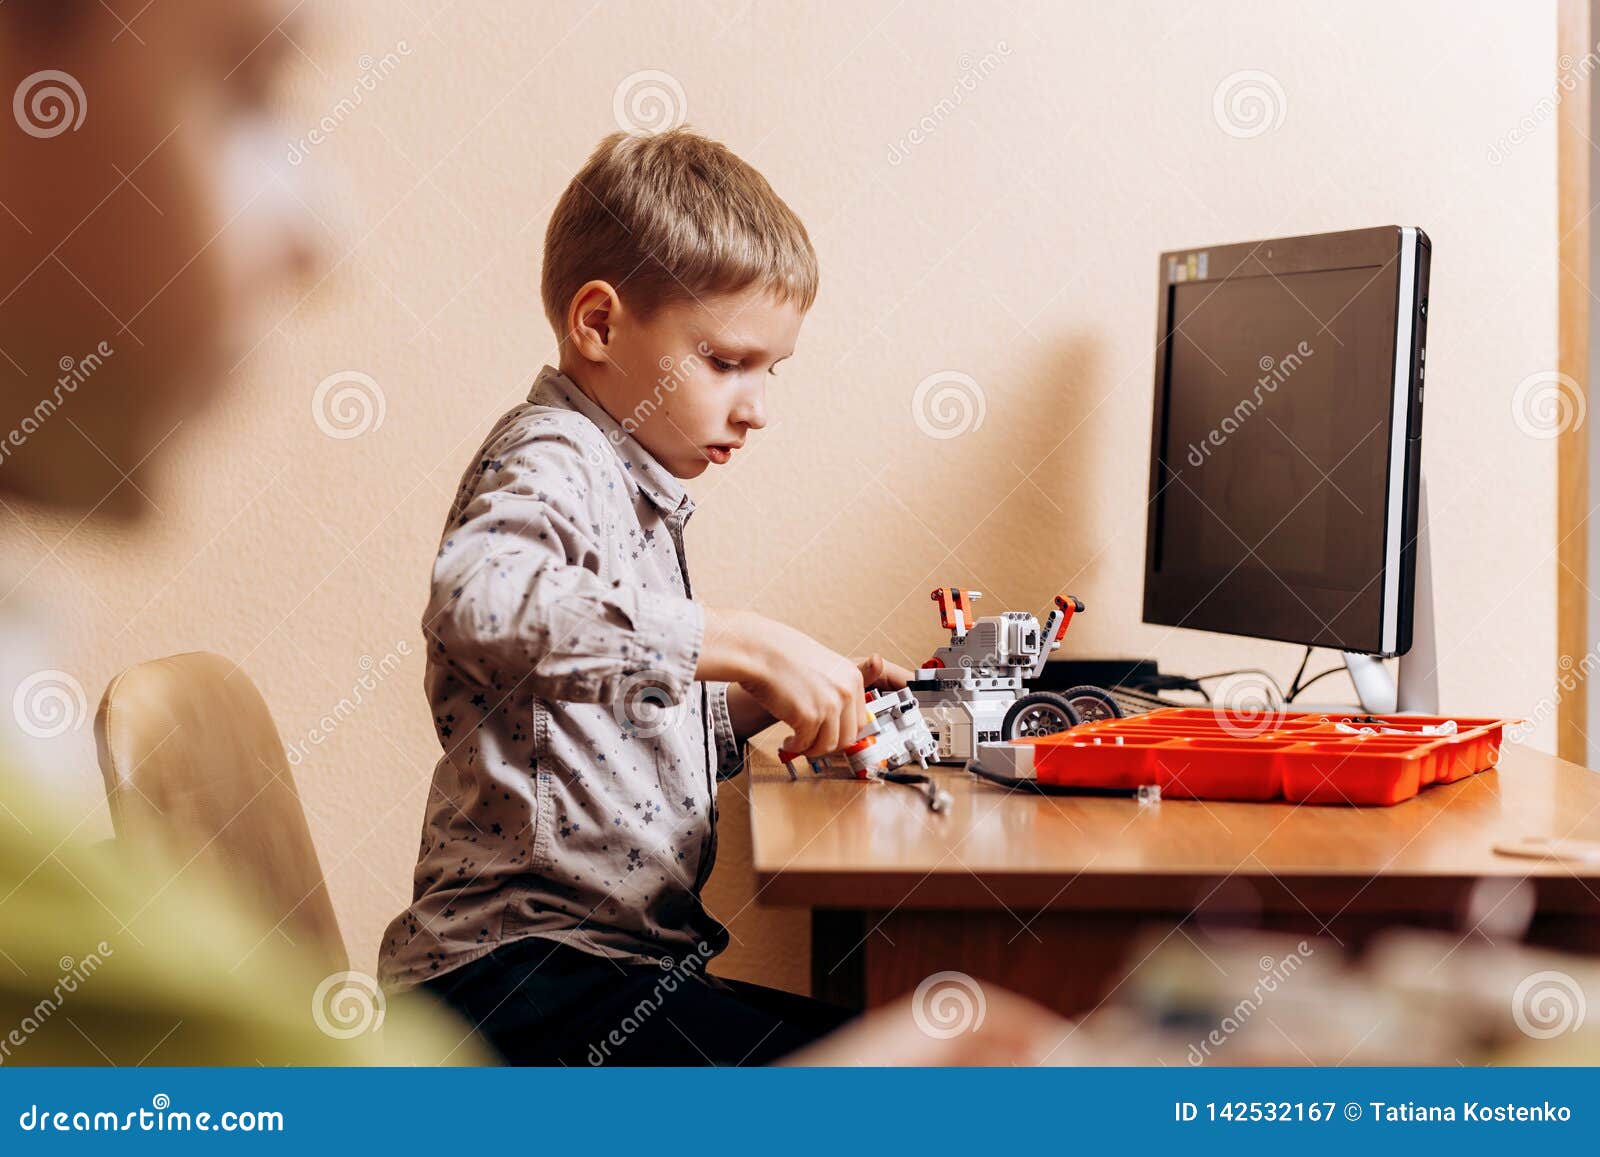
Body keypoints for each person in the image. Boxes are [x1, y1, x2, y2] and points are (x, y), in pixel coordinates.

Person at [378, 129, 921, 1064]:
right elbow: (479, 602)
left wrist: (759, 698)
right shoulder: (555, 453)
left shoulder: (631, 482)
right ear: (598, 324)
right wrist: (747, 640)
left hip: (595, 974)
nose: (757, 408)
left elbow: (596, 728)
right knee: (926, 1082)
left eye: (771, 370)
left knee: (917, 1058)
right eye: (726, 361)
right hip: (514, 984)